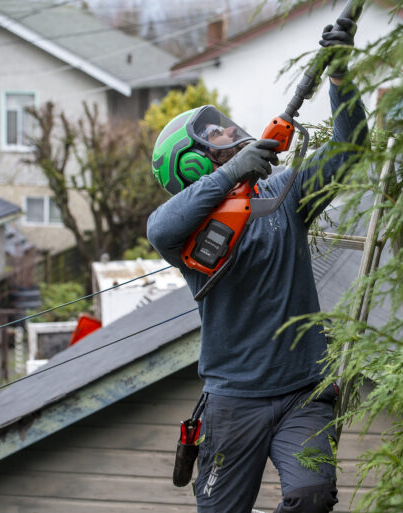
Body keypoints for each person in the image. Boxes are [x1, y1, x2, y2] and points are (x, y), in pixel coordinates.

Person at [146, 18, 367, 513]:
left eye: (221, 122)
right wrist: (230, 176)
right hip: (232, 403)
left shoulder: (283, 192)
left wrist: (340, 76)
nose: (229, 128)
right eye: (214, 132)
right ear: (194, 164)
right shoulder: (186, 235)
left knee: (312, 497)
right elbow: (157, 228)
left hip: (302, 392)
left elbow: (350, 147)